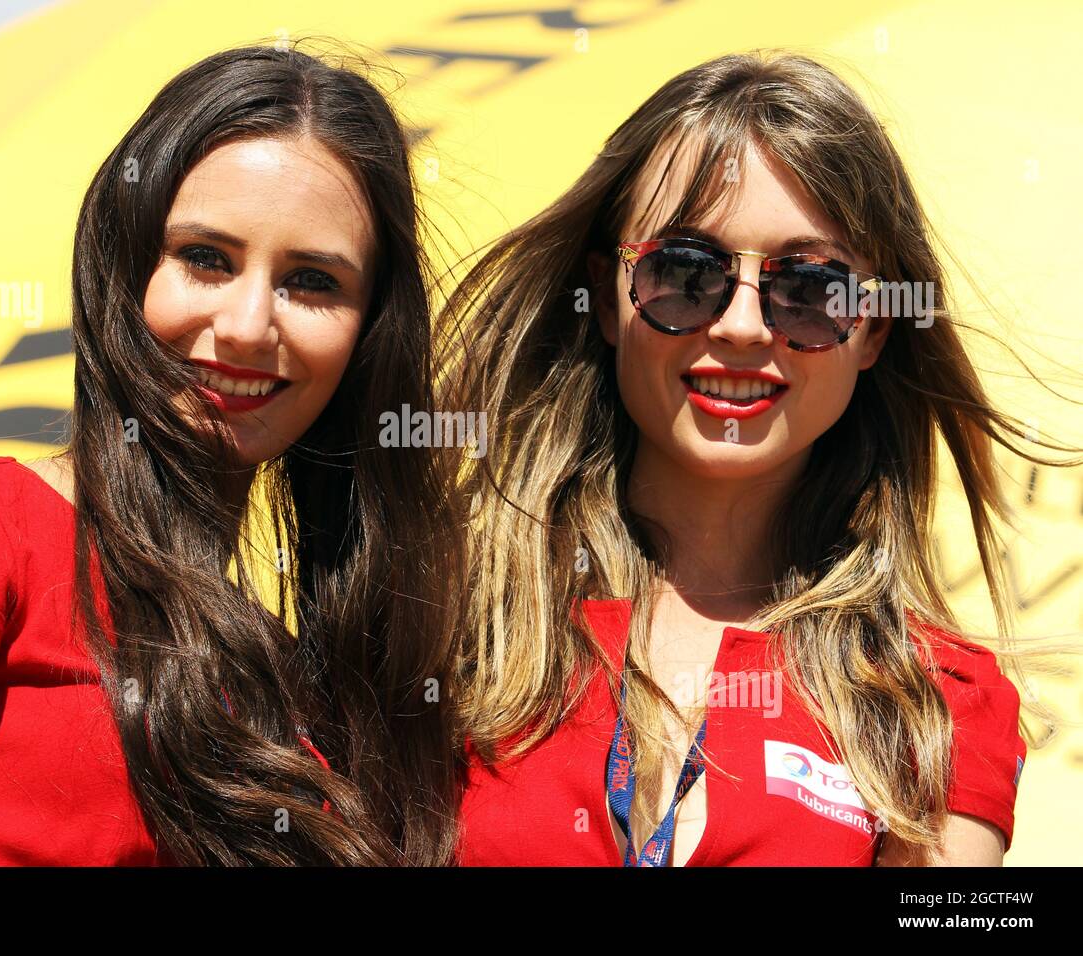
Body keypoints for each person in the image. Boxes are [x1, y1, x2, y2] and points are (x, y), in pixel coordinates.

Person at [0, 43, 463, 866]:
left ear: (367, 336)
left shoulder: (312, 690)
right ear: (124, 267)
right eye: (205, 258)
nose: (249, 325)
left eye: (312, 281)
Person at [443, 51, 1079, 866]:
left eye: (810, 288)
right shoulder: (438, 618)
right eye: (684, 271)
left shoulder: (940, 705)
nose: (742, 327)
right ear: (606, 297)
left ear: (875, 329)